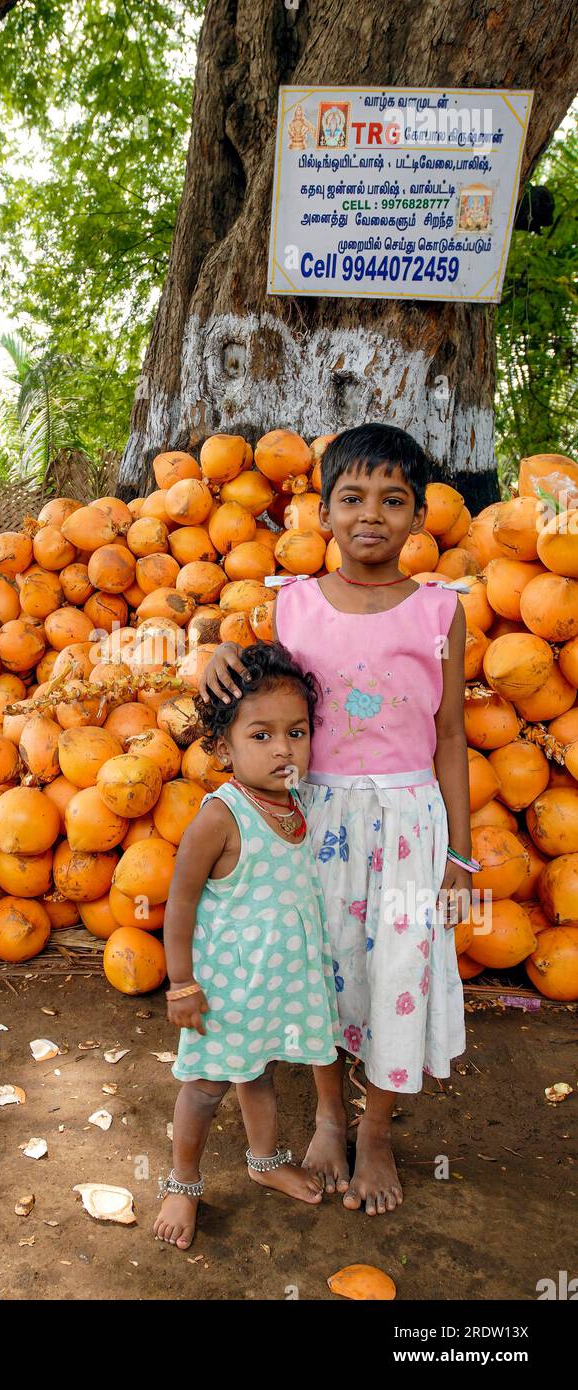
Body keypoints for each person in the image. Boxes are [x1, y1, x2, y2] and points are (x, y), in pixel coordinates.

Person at [200, 423, 471, 1217]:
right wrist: (216, 653)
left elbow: (451, 736)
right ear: (321, 515)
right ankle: (326, 1114)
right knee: (320, 969)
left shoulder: (439, 612)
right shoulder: (292, 606)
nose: (371, 516)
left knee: (395, 974)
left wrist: (458, 854)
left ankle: (377, 1127)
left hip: (409, 824)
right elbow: (251, 684)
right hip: (312, 819)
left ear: (420, 517)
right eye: (351, 498)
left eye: (393, 501)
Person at [154, 641, 341, 1250]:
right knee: (207, 1087)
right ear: (222, 747)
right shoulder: (222, 815)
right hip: (224, 992)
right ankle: (183, 1182)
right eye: (261, 736)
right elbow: (179, 904)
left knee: (257, 1073)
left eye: (297, 732)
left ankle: (264, 1162)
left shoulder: (297, 805)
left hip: (272, 985)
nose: (284, 749)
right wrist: (180, 983)